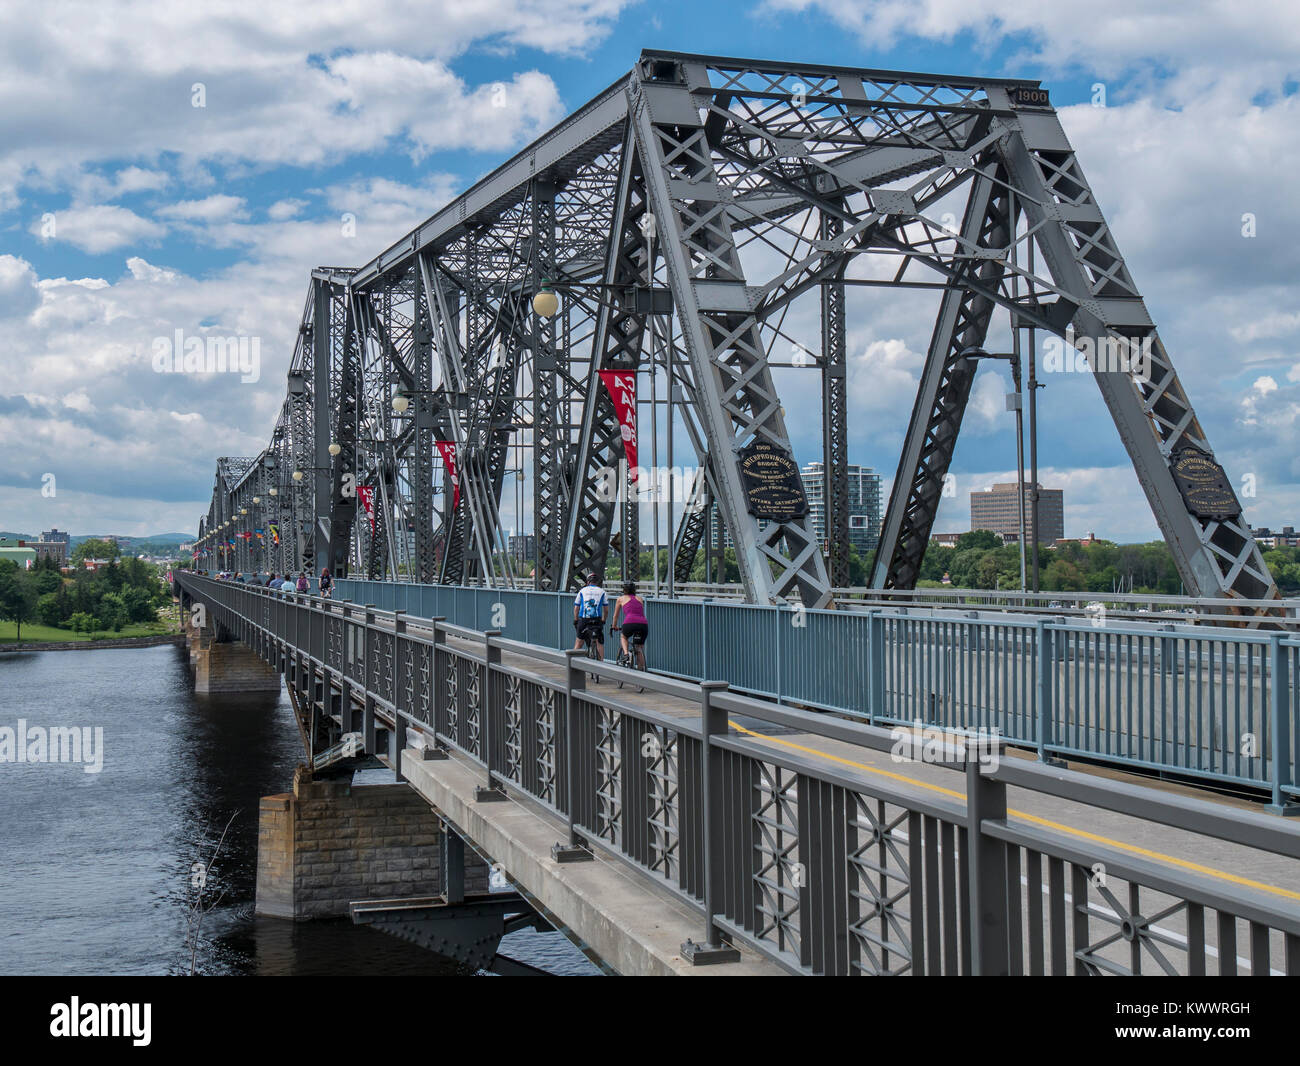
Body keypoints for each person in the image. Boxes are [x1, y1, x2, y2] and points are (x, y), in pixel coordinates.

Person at [611, 582, 649, 670]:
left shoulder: (620, 599)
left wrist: (614, 626)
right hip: (643, 624)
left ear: (624, 590)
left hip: (629, 623)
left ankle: (626, 654)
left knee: (623, 637)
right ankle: (641, 674)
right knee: (639, 648)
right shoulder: (640, 599)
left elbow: (615, 616)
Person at [572, 571, 608, 659]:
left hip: (584, 620)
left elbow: (576, 608)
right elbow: (606, 610)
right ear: (597, 582)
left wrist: (576, 620)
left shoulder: (582, 591)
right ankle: (601, 665)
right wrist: (603, 620)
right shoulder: (602, 592)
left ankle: (572, 663)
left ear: (588, 582)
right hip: (597, 619)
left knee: (579, 642)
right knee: (599, 642)